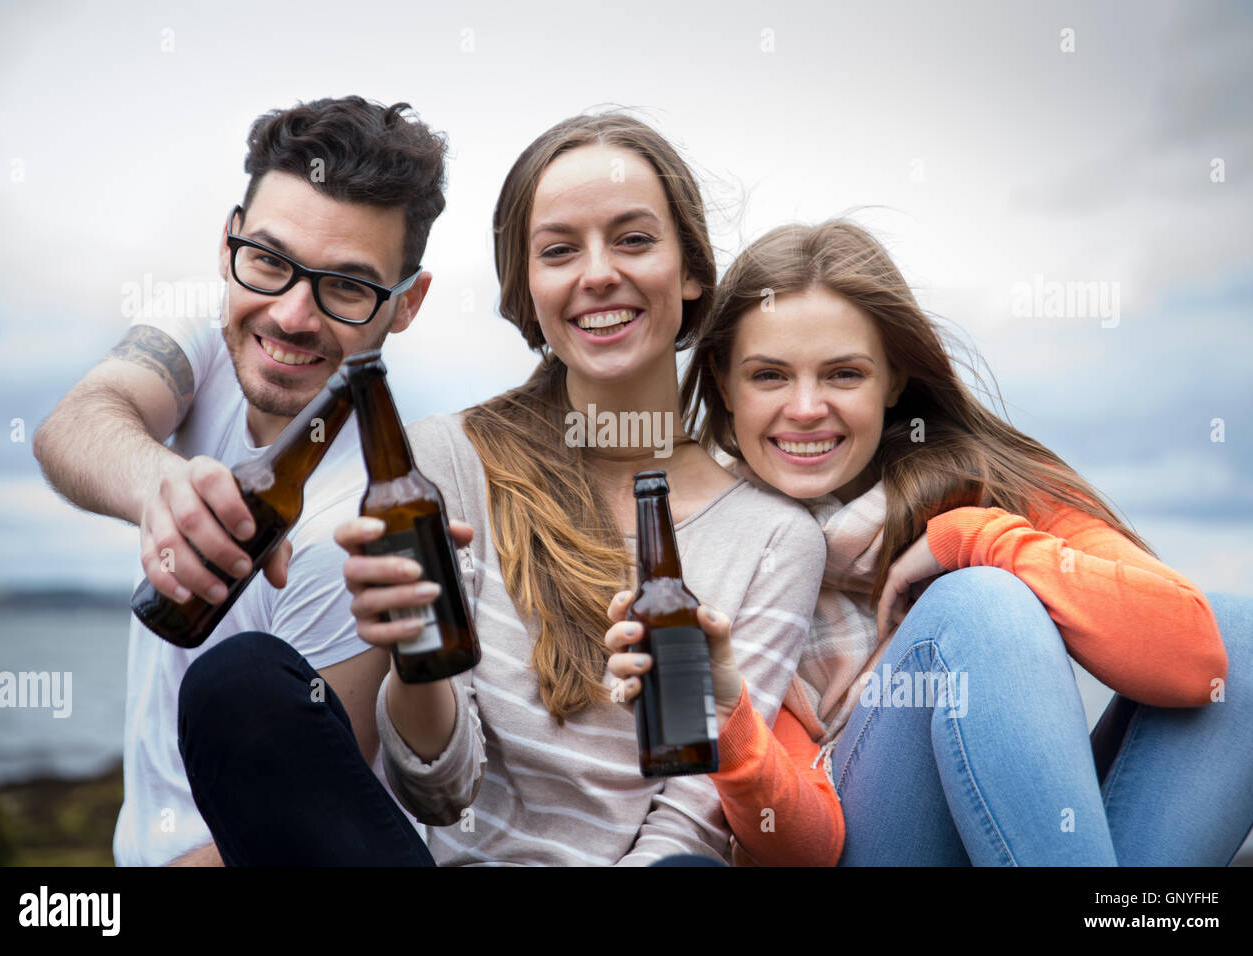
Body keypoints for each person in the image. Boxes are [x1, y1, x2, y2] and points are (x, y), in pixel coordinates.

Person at [173, 113, 828, 865]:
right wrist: (420, 654)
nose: (597, 273)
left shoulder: (777, 538)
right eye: (558, 250)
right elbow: (439, 791)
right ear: (528, 287)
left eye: (634, 239)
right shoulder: (445, 462)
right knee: (240, 683)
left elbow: (694, 818)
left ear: (690, 272)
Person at [607, 219, 1253, 865]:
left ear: (894, 379)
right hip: (863, 842)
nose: (806, 408)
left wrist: (974, 536)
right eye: (770, 376)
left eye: (843, 374)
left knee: (1245, 634)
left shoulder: (991, 483)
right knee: (977, 607)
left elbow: (1196, 657)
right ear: (724, 382)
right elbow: (805, 847)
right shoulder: (714, 550)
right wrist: (731, 719)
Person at [32, 96, 448, 865]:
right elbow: (73, 424)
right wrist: (157, 482)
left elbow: (287, 826)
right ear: (230, 243)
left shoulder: (363, 523)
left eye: (348, 286)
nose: (291, 315)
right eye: (269, 260)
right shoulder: (212, 317)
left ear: (407, 303)